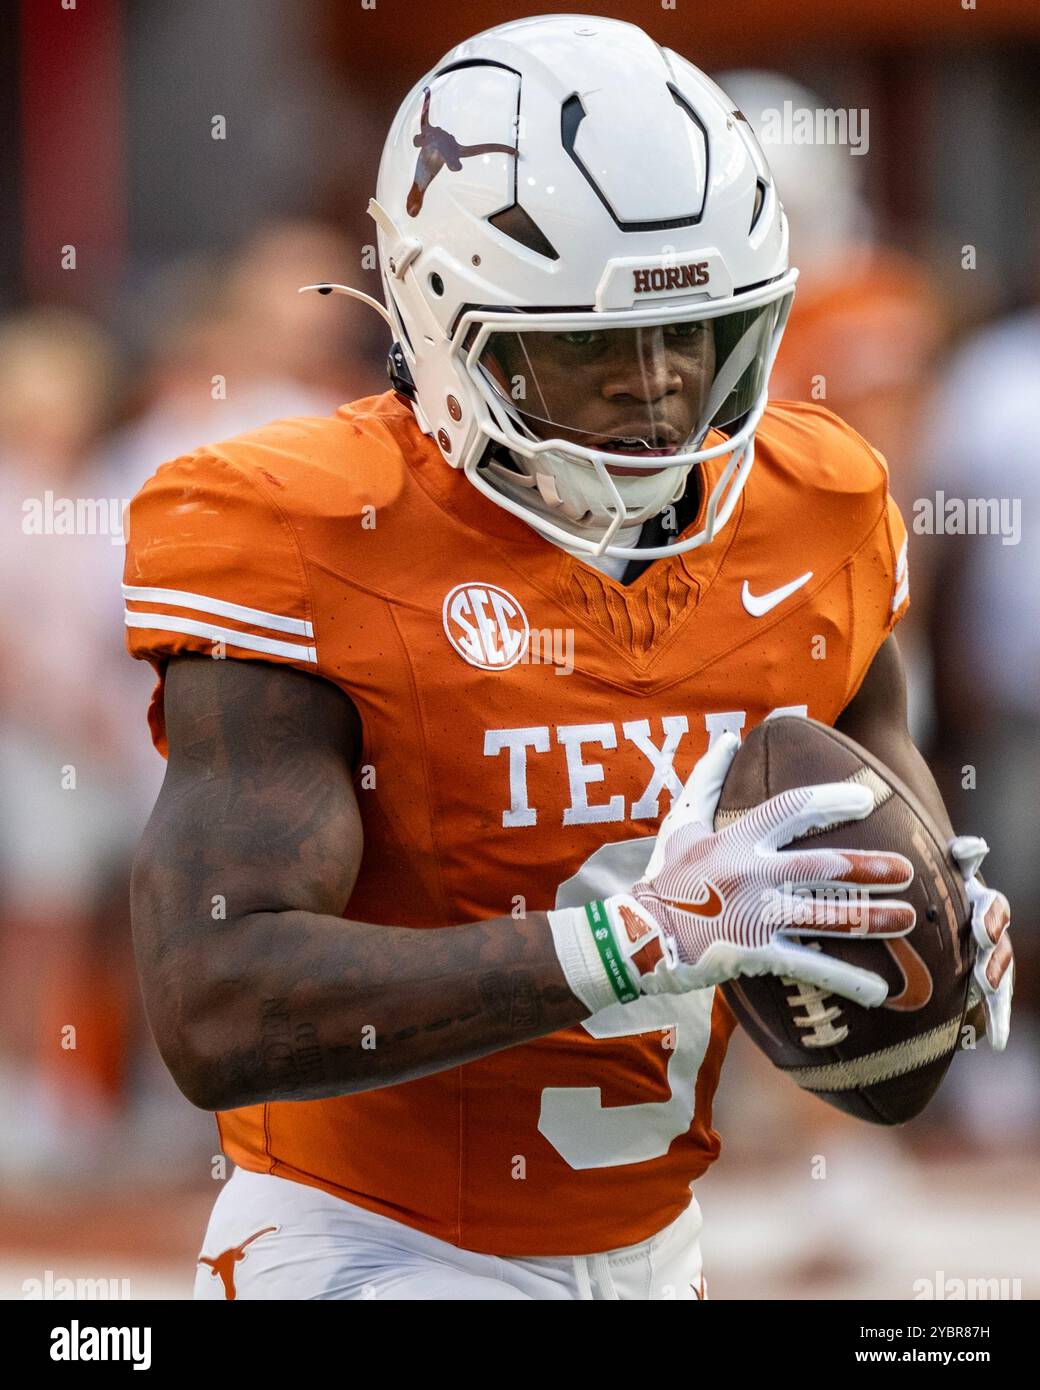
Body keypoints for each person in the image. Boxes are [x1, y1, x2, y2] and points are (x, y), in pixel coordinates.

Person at [122, 15, 1013, 1301]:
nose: (654, 391)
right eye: (587, 347)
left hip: (661, 1249)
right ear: (442, 325)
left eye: (694, 334)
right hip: (373, 1245)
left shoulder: (814, 504)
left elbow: (866, 778)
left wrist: (928, 906)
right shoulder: (301, 529)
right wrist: (635, 940)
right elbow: (215, 998)